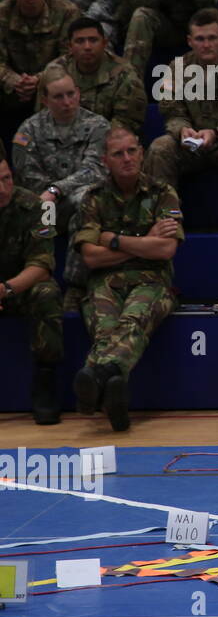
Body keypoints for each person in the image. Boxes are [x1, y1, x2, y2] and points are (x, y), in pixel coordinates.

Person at [72, 127, 184, 432]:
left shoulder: (163, 193)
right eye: (118, 154)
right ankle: (114, 392)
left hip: (152, 280)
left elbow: (166, 249)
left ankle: (96, 376)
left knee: (132, 320)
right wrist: (143, 242)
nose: (127, 159)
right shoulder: (93, 198)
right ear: (106, 160)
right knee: (106, 331)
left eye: (132, 151)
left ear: (142, 153)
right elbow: (91, 257)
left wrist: (115, 241)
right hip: (103, 281)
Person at [143, 8, 218, 229]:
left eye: (211, 38)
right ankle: (165, 219)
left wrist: (217, 133)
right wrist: (182, 130)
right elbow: (171, 112)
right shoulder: (175, 69)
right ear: (190, 41)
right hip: (189, 144)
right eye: (200, 39)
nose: (206, 45)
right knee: (160, 148)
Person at [0, 156, 64, 425]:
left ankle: (45, 383)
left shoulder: (39, 207)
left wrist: (6, 289)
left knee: (47, 293)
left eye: (6, 179)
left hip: (19, 287)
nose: (3, 188)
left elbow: (43, 265)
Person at [11, 64, 109, 232]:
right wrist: (52, 194)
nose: (67, 102)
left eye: (70, 94)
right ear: (45, 100)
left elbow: (94, 170)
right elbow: (27, 175)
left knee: (85, 201)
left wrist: (57, 189)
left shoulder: (99, 126)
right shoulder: (28, 130)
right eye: (58, 97)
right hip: (41, 202)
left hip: (81, 200)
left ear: (78, 93)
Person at [0, 0, 80, 146]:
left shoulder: (66, 12)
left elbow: (69, 57)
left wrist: (38, 80)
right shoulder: (2, 15)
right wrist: (16, 82)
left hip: (53, 84)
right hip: (11, 89)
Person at [54, 17, 146, 131]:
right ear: (70, 47)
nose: (87, 47)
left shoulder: (125, 75)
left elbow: (125, 126)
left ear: (104, 43)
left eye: (93, 40)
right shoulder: (56, 71)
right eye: (80, 41)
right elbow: (45, 117)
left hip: (108, 141)